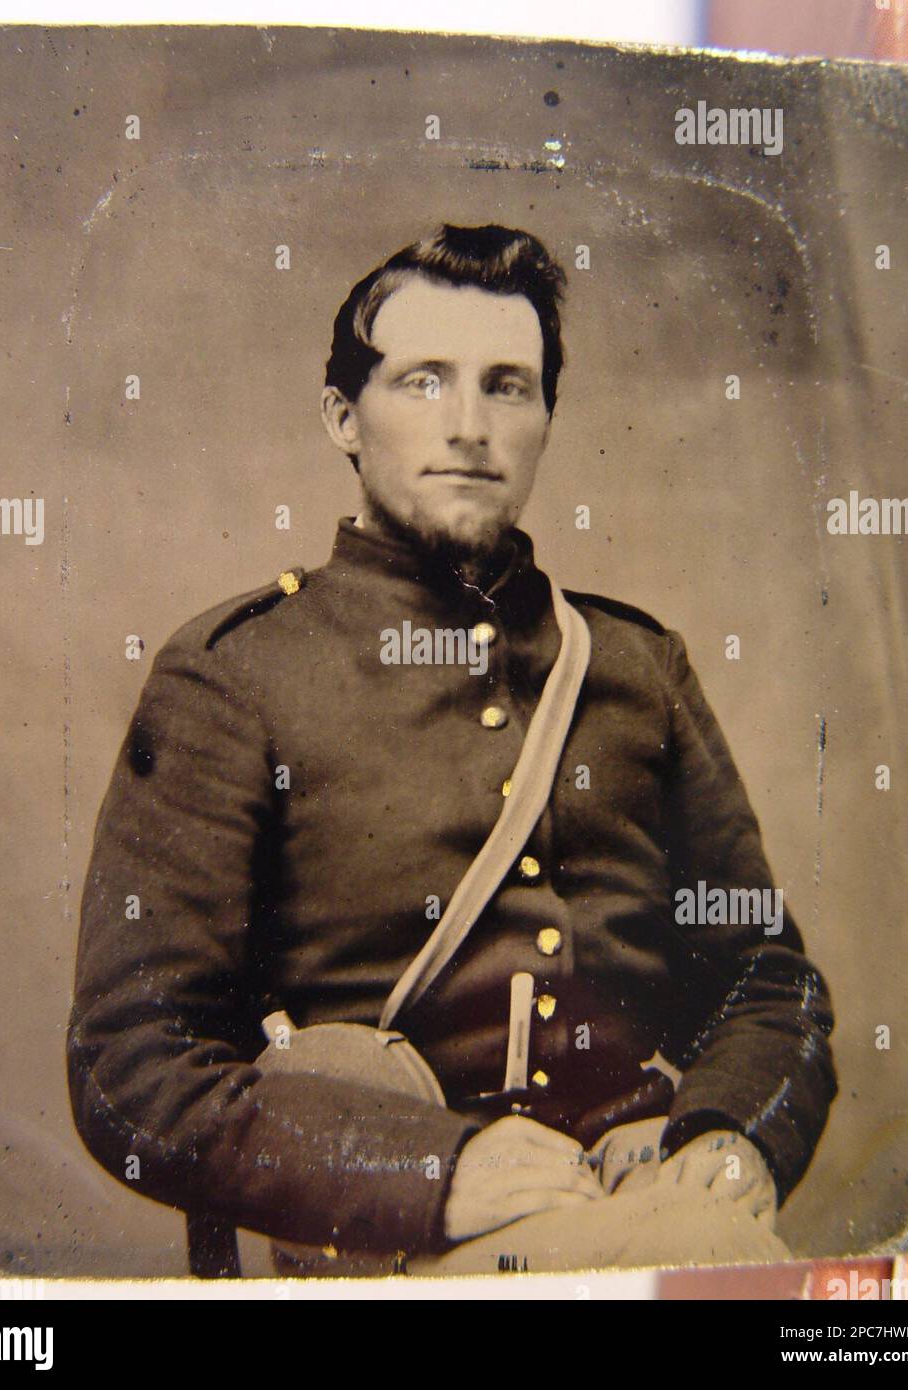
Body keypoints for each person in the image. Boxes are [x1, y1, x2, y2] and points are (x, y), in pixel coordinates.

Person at [67, 223, 837, 1277]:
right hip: (386, 1246)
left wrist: (730, 1134)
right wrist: (433, 1171)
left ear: (546, 420)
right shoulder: (234, 674)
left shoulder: (631, 664)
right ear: (343, 416)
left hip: (642, 1189)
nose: (469, 425)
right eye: (423, 382)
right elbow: (132, 1064)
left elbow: (764, 976)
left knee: (729, 1257)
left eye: (508, 387)